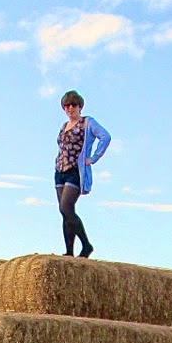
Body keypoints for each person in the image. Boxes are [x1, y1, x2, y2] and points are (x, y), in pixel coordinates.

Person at [54, 90, 110, 258]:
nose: (70, 108)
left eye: (74, 105)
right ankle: (69, 252)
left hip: (75, 171)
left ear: (80, 106)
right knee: (64, 211)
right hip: (60, 171)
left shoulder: (87, 123)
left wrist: (93, 158)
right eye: (67, 105)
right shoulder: (64, 126)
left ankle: (86, 245)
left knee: (67, 207)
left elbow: (105, 137)